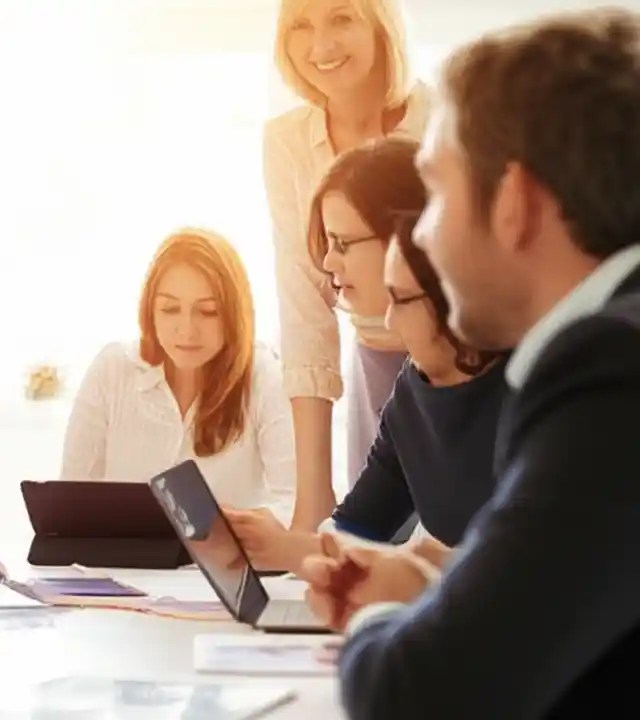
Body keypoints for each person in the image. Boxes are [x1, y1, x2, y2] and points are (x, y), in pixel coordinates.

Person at [297, 10, 640, 718]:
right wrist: (439, 589)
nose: (419, 238)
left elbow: (416, 695)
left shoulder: (610, 371)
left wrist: (380, 614)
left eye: (436, 194)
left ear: (513, 204)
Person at [226, 138, 508, 571]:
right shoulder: (413, 389)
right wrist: (275, 546)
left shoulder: (528, 376)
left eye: (342, 243)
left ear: (410, 237)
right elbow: (356, 528)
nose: (328, 262)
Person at [263, 0, 433, 525]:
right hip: (374, 362)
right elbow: (304, 311)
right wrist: (312, 498)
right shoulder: (287, 141)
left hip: (462, 366)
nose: (320, 46)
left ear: (380, 23)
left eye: (341, 18)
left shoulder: (446, 122)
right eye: (301, 26)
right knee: (365, 536)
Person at [61, 229, 297, 523]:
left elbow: (295, 504)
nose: (187, 330)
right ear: (150, 310)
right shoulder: (112, 369)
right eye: (170, 309)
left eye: (208, 311)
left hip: (226, 553)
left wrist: (231, 527)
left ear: (234, 314)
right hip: (122, 553)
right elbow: (71, 498)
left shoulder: (264, 377)